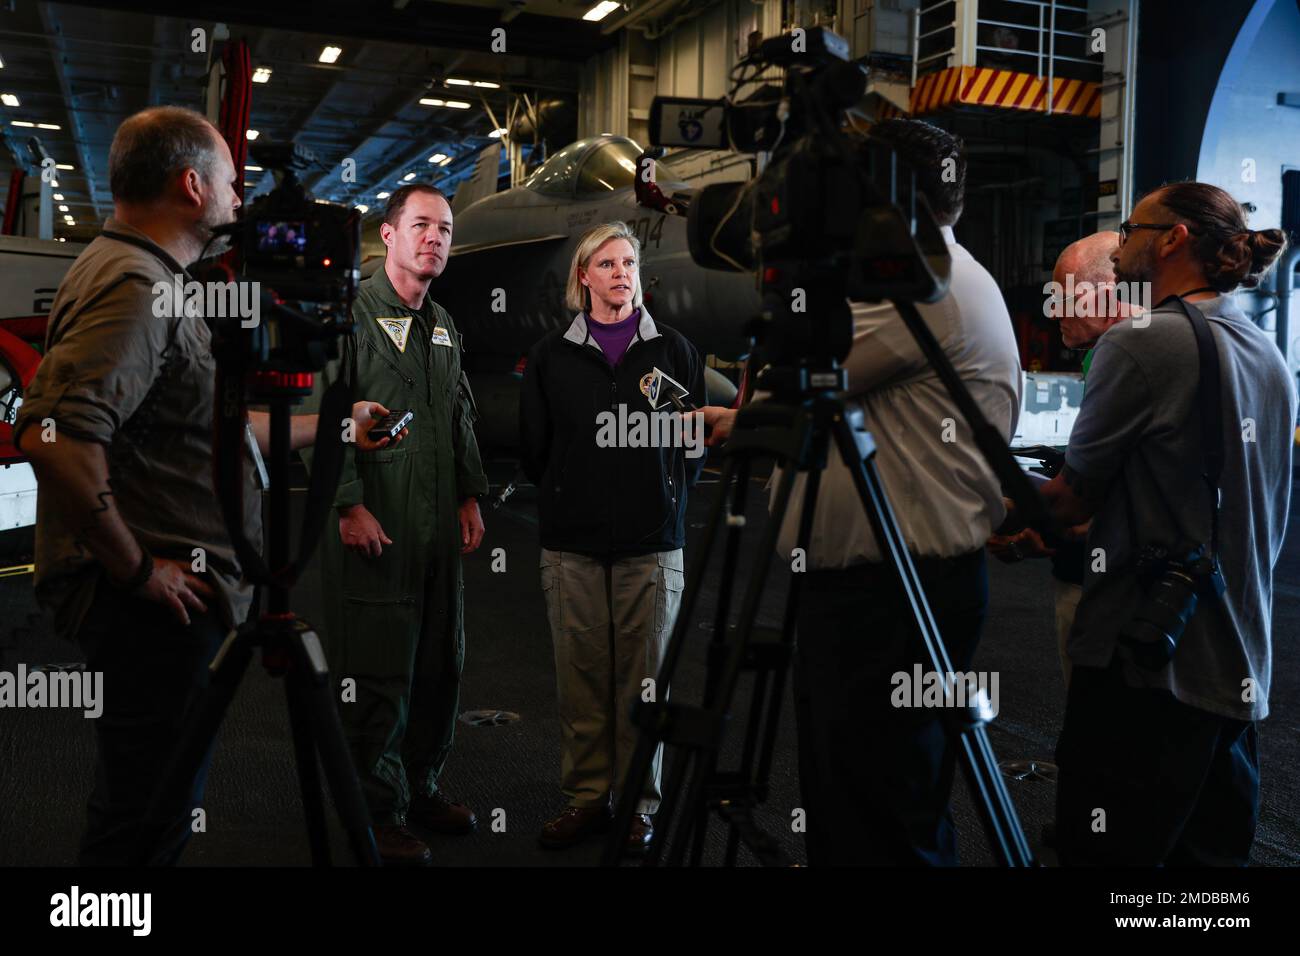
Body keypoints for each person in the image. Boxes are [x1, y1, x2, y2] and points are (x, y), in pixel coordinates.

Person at [13, 106, 400, 866]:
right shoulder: (132, 282)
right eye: (230, 180)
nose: (238, 200)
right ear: (191, 185)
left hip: (176, 596)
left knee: (155, 803)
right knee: (141, 818)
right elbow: (53, 439)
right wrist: (134, 569)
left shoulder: (153, 277)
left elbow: (208, 428)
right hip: (152, 603)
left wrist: (332, 423)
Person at [701, 119, 1023, 865]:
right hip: (900, 590)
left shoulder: (919, 283)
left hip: (893, 596)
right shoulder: (938, 271)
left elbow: (792, 377)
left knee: (877, 815)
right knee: (881, 798)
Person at [1032, 181, 1294, 865]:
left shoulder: (1142, 343)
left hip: (1145, 669)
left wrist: (992, 503)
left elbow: (1068, 502)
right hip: (1233, 662)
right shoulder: (1266, 352)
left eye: (1129, 229)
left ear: (1173, 238)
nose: (1119, 245)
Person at [301, 183, 488, 867]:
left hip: (436, 528)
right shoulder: (348, 317)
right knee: (378, 673)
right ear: (388, 235)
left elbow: (460, 416)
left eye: (444, 228)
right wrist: (347, 504)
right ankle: (375, 811)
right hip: (375, 524)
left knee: (441, 663)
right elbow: (324, 420)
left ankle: (422, 787)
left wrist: (470, 495)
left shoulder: (442, 324)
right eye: (421, 225)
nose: (435, 237)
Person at [520, 221, 706, 855]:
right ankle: (586, 799)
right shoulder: (551, 357)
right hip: (571, 545)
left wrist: (659, 497)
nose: (621, 272)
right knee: (582, 679)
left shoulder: (674, 351)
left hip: (653, 545)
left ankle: (637, 806)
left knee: (644, 681)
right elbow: (536, 451)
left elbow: (692, 445)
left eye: (629, 262)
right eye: (607, 264)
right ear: (584, 276)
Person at [988, 231, 1133, 686]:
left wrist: (1008, 515)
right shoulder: (1101, 356)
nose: (1052, 312)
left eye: (1063, 298)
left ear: (1105, 294)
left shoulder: (1127, 354)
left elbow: (1098, 499)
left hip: (1112, 585)